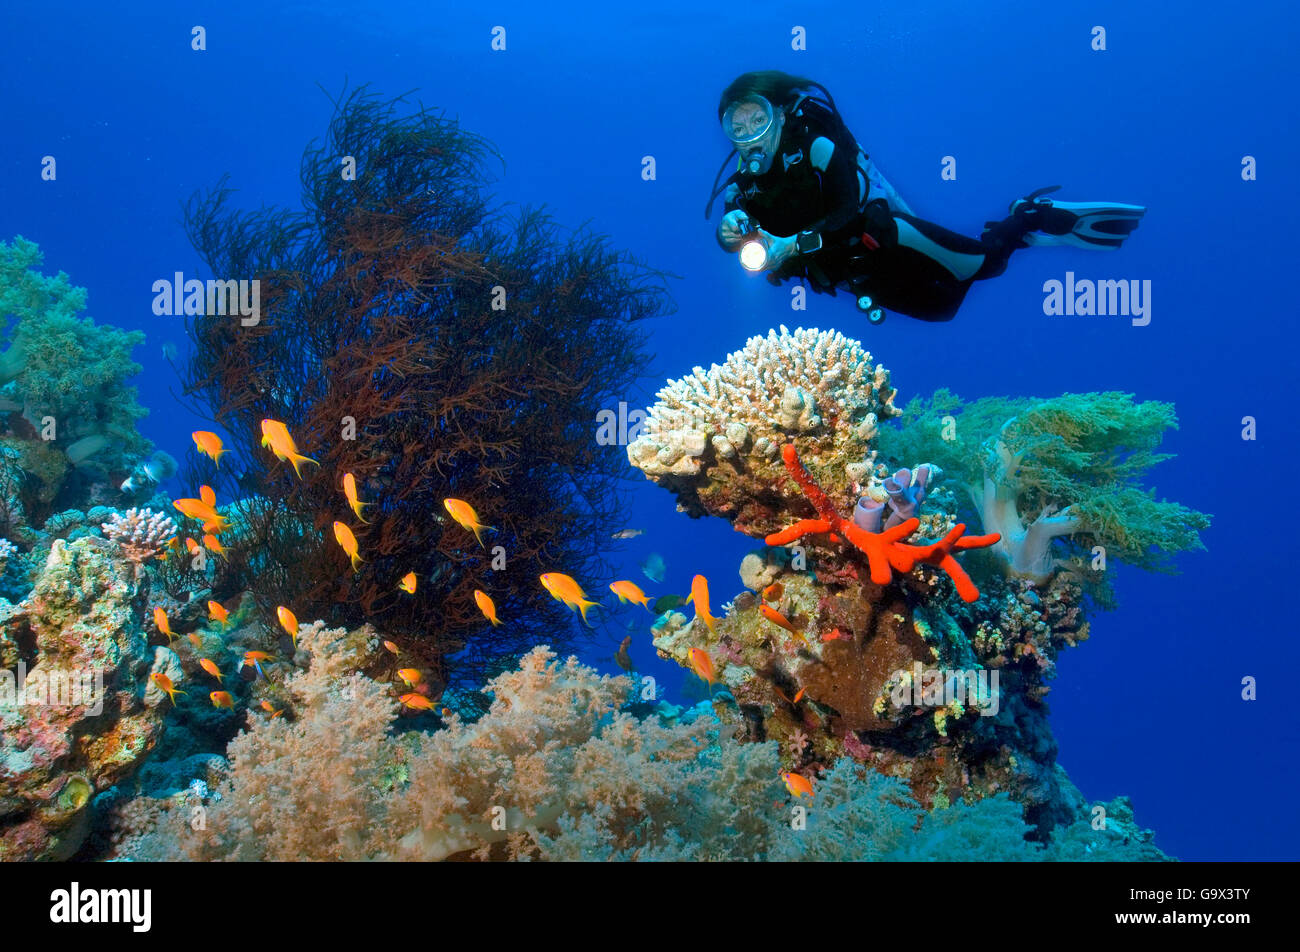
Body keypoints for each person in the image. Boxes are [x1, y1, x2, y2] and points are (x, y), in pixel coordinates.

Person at [706, 71, 1147, 323]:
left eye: (757, 119)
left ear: (779, 113)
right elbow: (732, 232)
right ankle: (1013, 230)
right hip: (855, 275)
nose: (749, 136)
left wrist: (797, 244)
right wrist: (729, 233)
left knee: (987, 266)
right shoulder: (741, 187)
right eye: (736, 127)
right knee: (944, 309)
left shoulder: (818, 148)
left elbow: (846, 207)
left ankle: (1027, 219)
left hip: (887, 235)